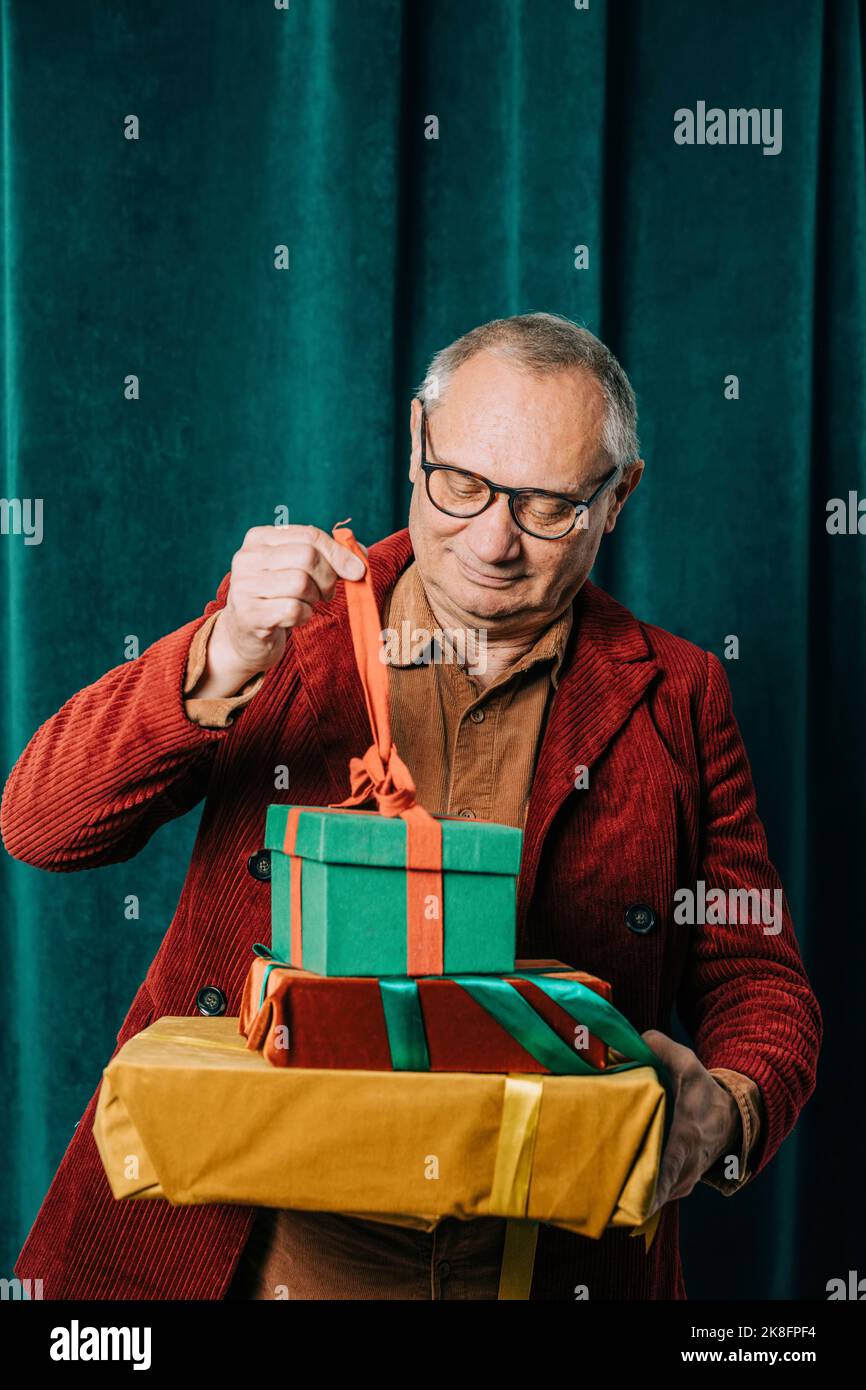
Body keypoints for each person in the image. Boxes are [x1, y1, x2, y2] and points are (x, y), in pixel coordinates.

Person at [2, 312, 822, 1300]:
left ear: (618, 497)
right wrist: (216, 655)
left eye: (547, 507)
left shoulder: (678, 695)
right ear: (414, 443)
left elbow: (759, 981)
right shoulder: (284, 632)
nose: (491, 542)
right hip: (244, 1261)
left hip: (541, 1261)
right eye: (460, 485)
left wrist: (723, 1112)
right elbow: (42, 826)